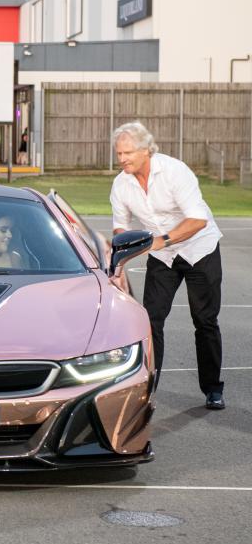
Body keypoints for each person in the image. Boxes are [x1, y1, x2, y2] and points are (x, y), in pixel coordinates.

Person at [110, 121, 224, 409]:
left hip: (201, 250)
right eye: (119, 153)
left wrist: (160, 240)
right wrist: (120, 260)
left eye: (127, 153)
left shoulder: (175, 171)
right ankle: (149, 387)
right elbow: (120, 229)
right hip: (163, 258)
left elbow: (198, 219)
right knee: (151, 321)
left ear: (146, 150)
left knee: (205, 321)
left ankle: (212, 388)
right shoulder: (121, 184)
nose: (121, 159)